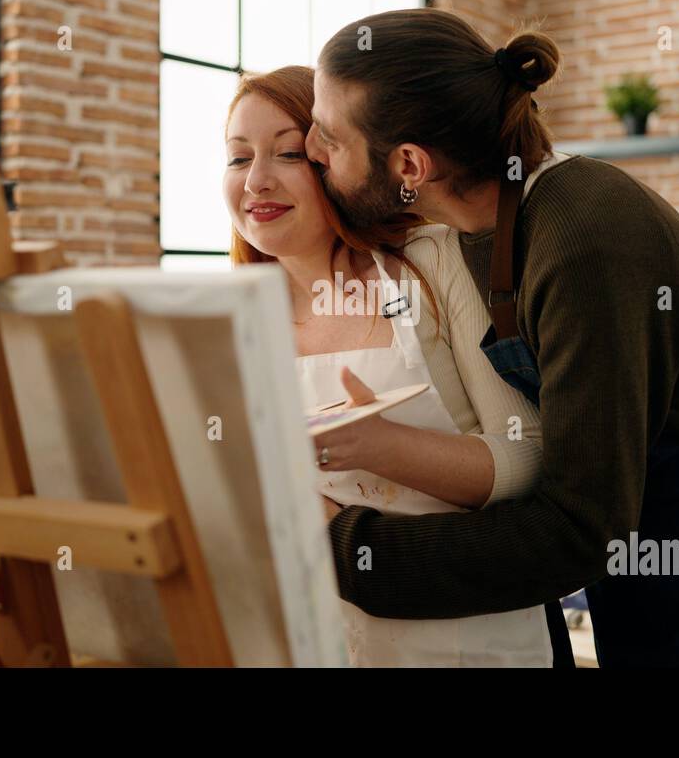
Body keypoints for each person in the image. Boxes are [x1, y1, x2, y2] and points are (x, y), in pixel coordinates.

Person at [304, 8, 679, 667]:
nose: (312, 153)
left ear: (409, 164)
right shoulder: (480, 230)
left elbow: (579, 529)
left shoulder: (582, 239)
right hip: (640, 577)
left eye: (327, 138)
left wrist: (340, 546)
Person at [222, 65, 569, 666]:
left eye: (287, 154)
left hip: (465, 634)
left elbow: (529, 454)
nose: (257, 180)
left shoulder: (431, 263)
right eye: (237, 158)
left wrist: (378, 445)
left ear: (334, 162)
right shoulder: (231, 317)